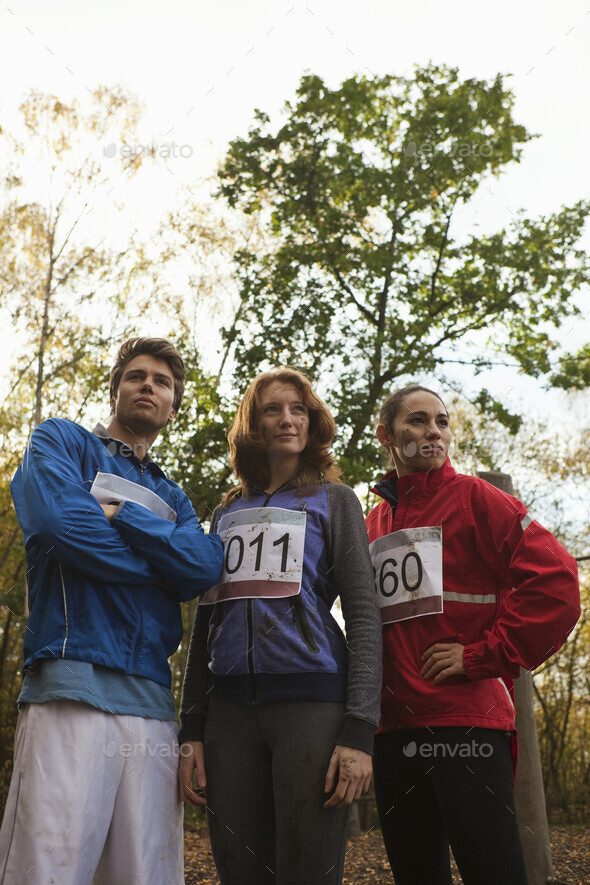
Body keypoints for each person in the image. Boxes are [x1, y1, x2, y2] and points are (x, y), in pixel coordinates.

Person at [0, 337, 224, 885]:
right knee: (48, 869)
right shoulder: (60, 441)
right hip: (70, 686)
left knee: (145, 875)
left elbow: (201, 568)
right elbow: (61, 526)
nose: (149, 385)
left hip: (151, 705)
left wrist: (122, 514)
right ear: (116, 389)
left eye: (163, 382)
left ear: (172, 407)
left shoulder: (176, 497)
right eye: (136, 376)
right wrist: (160, 565)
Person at [365, 385, 581, 885]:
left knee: (495, 873)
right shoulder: (373, 521)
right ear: (387, 436)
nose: (434, 431)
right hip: (393, 733)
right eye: (417, 421)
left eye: (442, 421)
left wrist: (484, 656)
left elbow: (558, 583)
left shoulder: (477, 498)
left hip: (467, 725)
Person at [178, 367, 382, 885]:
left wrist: (360, 728)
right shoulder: (226, 512)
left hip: (311, 704)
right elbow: (207, 621)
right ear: (254, 423)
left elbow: (362, 613)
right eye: (273, 409)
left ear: (312, 421)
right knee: (239, 868)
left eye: (298, 409)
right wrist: (192, 728)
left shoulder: (335, 500)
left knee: (306, 871)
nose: (287, 419)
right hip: (228, 714)